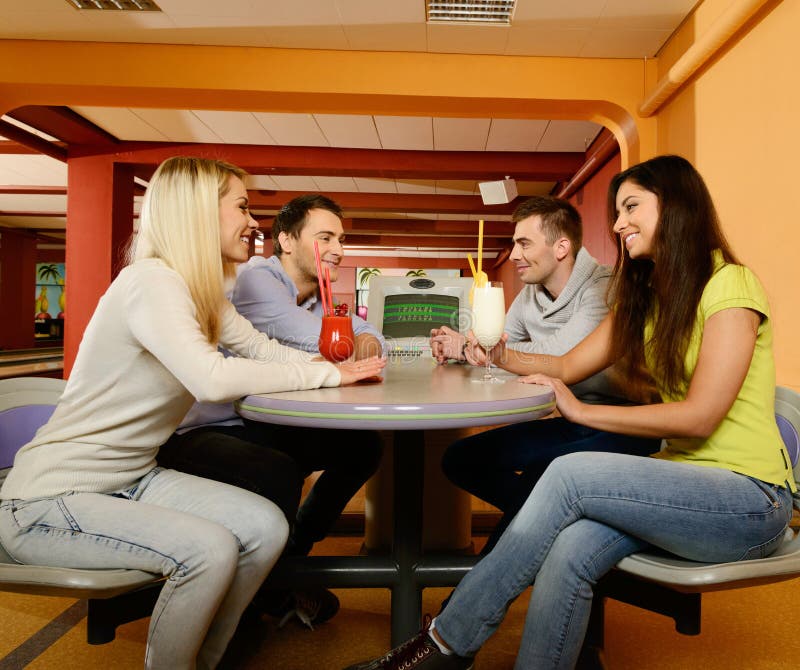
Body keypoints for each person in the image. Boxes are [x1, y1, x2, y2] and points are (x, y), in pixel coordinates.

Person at [343, 154, 795, 670]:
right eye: (617, 212)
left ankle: (442, 646)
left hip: (749, 499)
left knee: (566, 475)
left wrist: (580, 412)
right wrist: (493, 353)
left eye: (631, 207)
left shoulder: (730, 284)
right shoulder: (648, 297)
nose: (618, 223)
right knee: (570, 546)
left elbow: (699, 417)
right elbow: (566, 364)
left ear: (676, 206)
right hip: (682, 478)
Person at [0, 156, 385, 670]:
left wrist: (336, 369)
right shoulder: (150, 282)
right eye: (241, 207)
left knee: (268, 528)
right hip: (51, 496)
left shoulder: (203, 291)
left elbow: (263, 350)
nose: (252, 222)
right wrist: (330, 375)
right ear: (198, 211)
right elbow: (211, 378)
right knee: (210, 549)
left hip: (134, 476)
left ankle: (206, 661)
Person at [158, 194, 386, 627]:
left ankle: (289, 558)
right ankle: (271, 586)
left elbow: (365, 336)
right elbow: (316, 340)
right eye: (325, 237)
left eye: (341, 239)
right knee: (279, 469)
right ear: (286, 241)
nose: (338, 248)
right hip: (205, 428)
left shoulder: (318, 297)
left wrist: (366, 338)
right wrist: (351, 342)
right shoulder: (257, 279)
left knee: (362, 447)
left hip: (258, 420)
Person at [431, 196, 658, 555]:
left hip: (626, 423)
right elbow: (499, 345)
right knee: (459, 459)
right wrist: (464, 347)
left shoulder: (604, 287)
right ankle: (563, 520)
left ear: (561, 248)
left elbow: (559, 357)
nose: (514, 254)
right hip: (574, 418)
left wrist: (489, 351)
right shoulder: (530, 294)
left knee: (543, 472)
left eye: (524, 244)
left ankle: (486, 575)